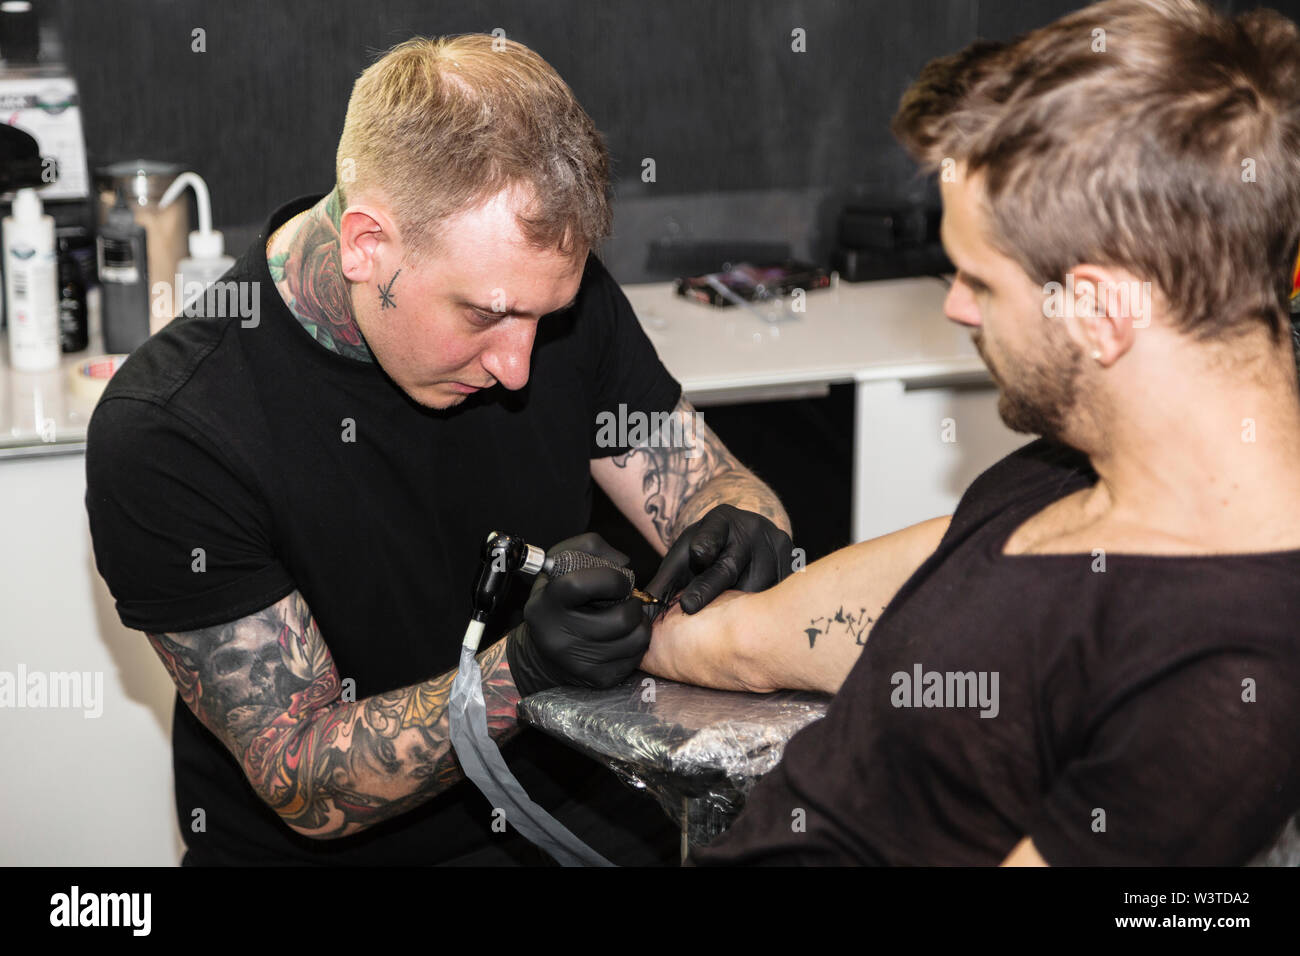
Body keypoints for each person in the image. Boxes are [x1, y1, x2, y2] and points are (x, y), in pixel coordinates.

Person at [84, 34, 792, 866]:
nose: (519, 364)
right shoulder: (172, 432)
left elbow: (710, 484)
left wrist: (739, 517)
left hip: (575, 823)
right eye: (485, 316)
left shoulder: (536, 291)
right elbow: (302, 776)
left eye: (545, 318)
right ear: (366, 245)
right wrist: (519, 672)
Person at [642, 0, 1300, 866]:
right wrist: (636, 633)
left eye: (979, 282)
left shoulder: (1219, 675)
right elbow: (897, 612)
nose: (954, 306)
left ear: (1098, 311)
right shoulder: (1088, 465)